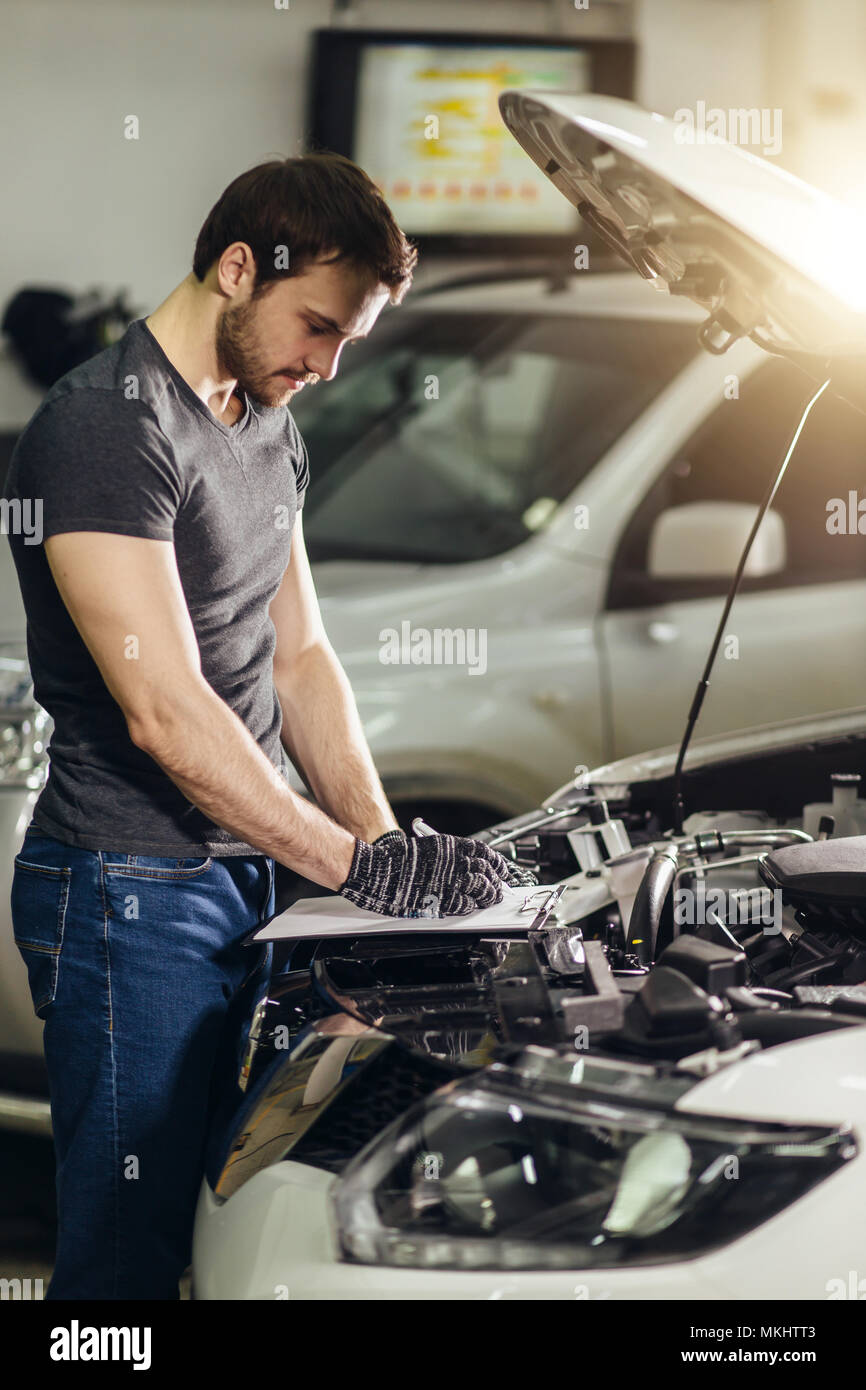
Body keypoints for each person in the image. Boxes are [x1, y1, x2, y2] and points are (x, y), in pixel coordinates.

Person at [3, 153, 525, 1299]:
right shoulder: (102, 430)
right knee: (126, 1258)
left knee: (232, 1222)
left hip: (246, 882)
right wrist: (351, 866)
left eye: (348, 341)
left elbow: (300, 658)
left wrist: (389, 852)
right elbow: (166, 712)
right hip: (128, 891)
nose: (328, 365)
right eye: (317, 327)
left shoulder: (262, 419)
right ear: (238, 268)